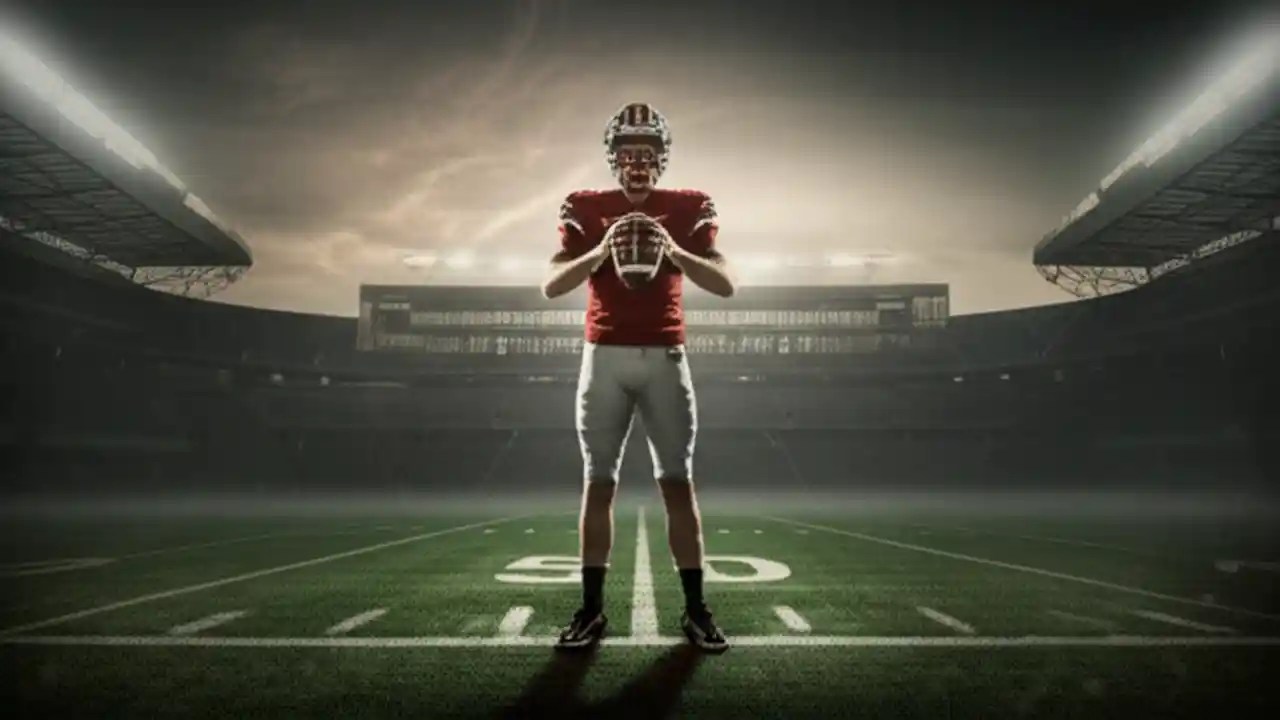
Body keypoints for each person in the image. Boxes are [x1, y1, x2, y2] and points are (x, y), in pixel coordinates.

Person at [541, 102, 735, 652]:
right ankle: (591, 611)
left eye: (646, 152)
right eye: (628, 152)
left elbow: (725, 282)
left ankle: (696, 610)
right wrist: (600, 252)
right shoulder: (587, 207)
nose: (637, 162)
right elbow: (551, 284)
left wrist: (673, 250)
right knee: (598, 482)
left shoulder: (687, 207)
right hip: (603, 356)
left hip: (665, 355)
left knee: (677, 482)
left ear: (661, 156)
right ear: (614, 156)